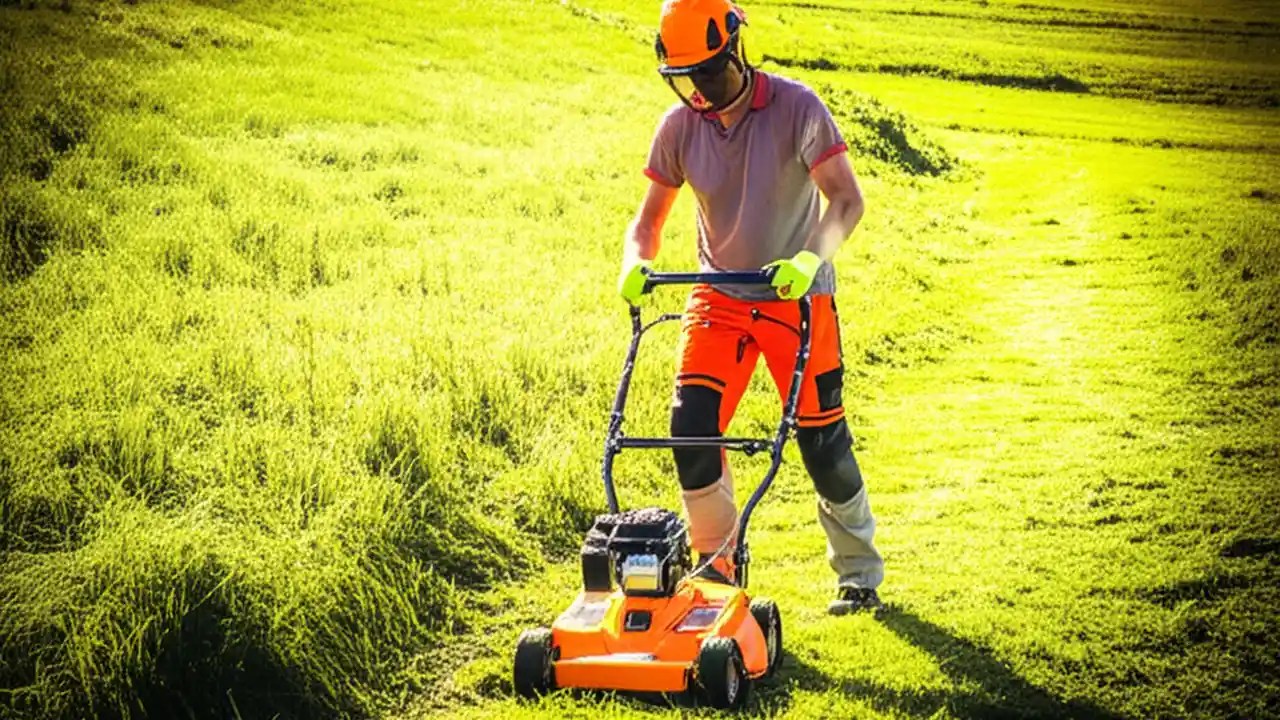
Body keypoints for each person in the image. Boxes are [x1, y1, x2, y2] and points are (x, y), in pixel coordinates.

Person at [617, 0, 884, 615]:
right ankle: (717, 570)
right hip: (720, 297)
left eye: (710, 72)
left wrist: (810, 260)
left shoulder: (797, 108)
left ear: (737, 49)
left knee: (822, 443)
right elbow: (647, 223)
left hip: (797, 299)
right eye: (687, 78)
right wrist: (634, 263)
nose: (701, 91)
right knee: (691, 429)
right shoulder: (680, 127)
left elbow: (846, 202)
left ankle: (859, 573)